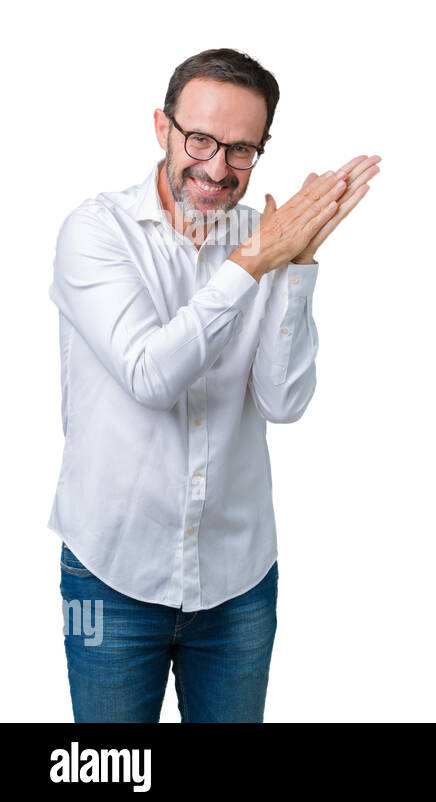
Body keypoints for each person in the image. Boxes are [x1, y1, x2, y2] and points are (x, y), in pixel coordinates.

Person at [50, 47, 380, 722]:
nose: (217, 167)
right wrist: (256, 261)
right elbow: (149, 374)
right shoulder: (95, 232)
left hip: (237, 580)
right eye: (199, 139)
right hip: (112, 576)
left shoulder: (271, 243)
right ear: (161, 128)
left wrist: (300, 265)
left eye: (241, 149)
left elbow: (282, 403)